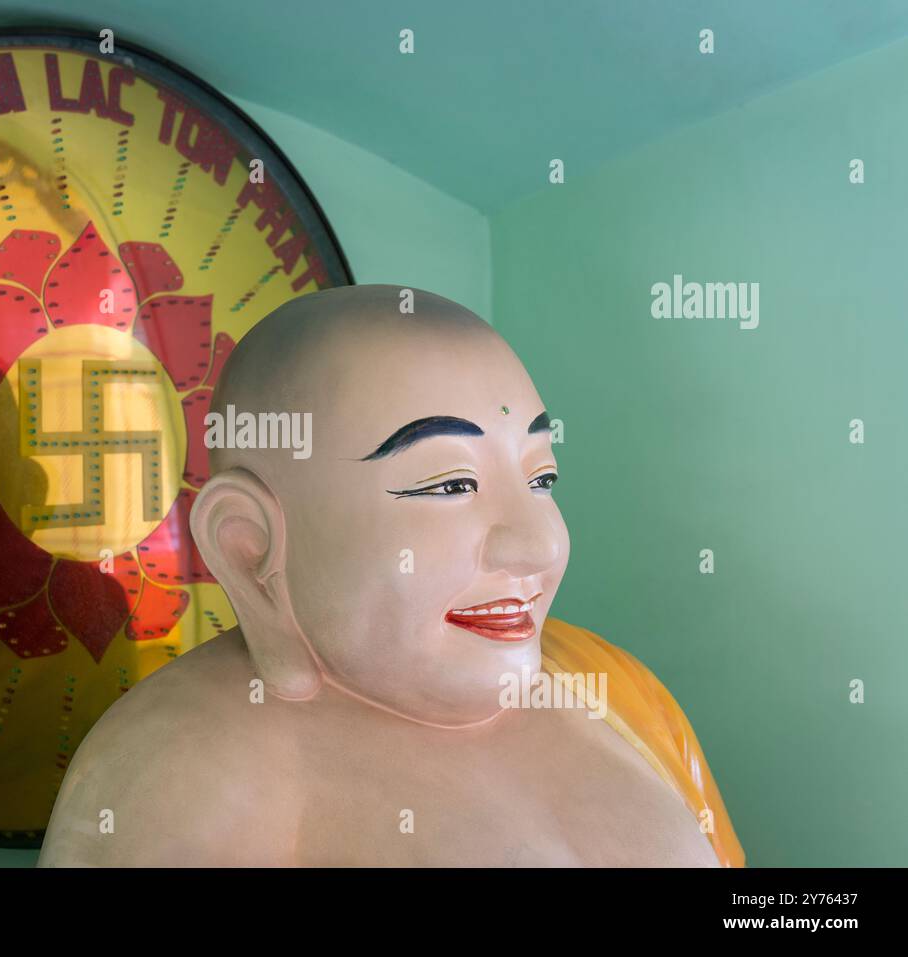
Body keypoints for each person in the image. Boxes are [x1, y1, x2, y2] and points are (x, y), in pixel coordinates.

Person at [38, 284, 744, 866]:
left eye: (542, 476)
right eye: (446, 485)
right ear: (250, 548)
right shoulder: (173, 782)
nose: (539, 545)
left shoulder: (617, 690)